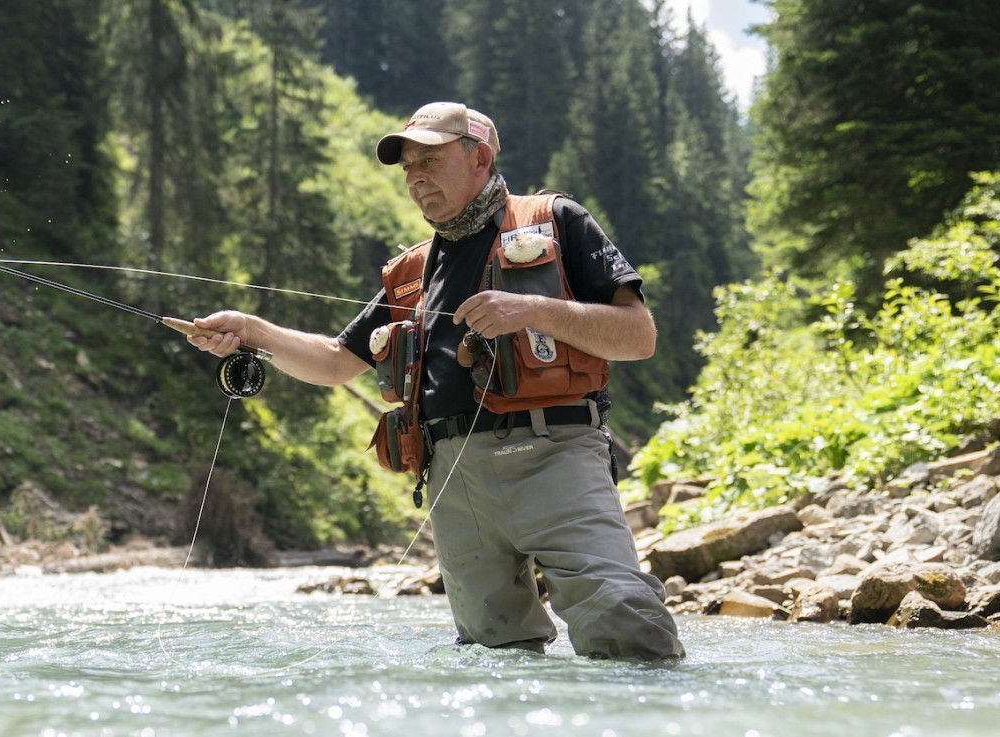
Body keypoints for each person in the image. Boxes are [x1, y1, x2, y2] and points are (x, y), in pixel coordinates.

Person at [188, 102, 684, 660]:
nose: (416, 176)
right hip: (454, 479)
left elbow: (639, 336)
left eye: (431, 158)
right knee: (494, 656)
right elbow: (333, 362)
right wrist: (253, 331)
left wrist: (535, 310)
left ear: (481, 158)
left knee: (628, 626)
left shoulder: (556, 220)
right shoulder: (411, 273)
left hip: (557, 456)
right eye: (407, 167)